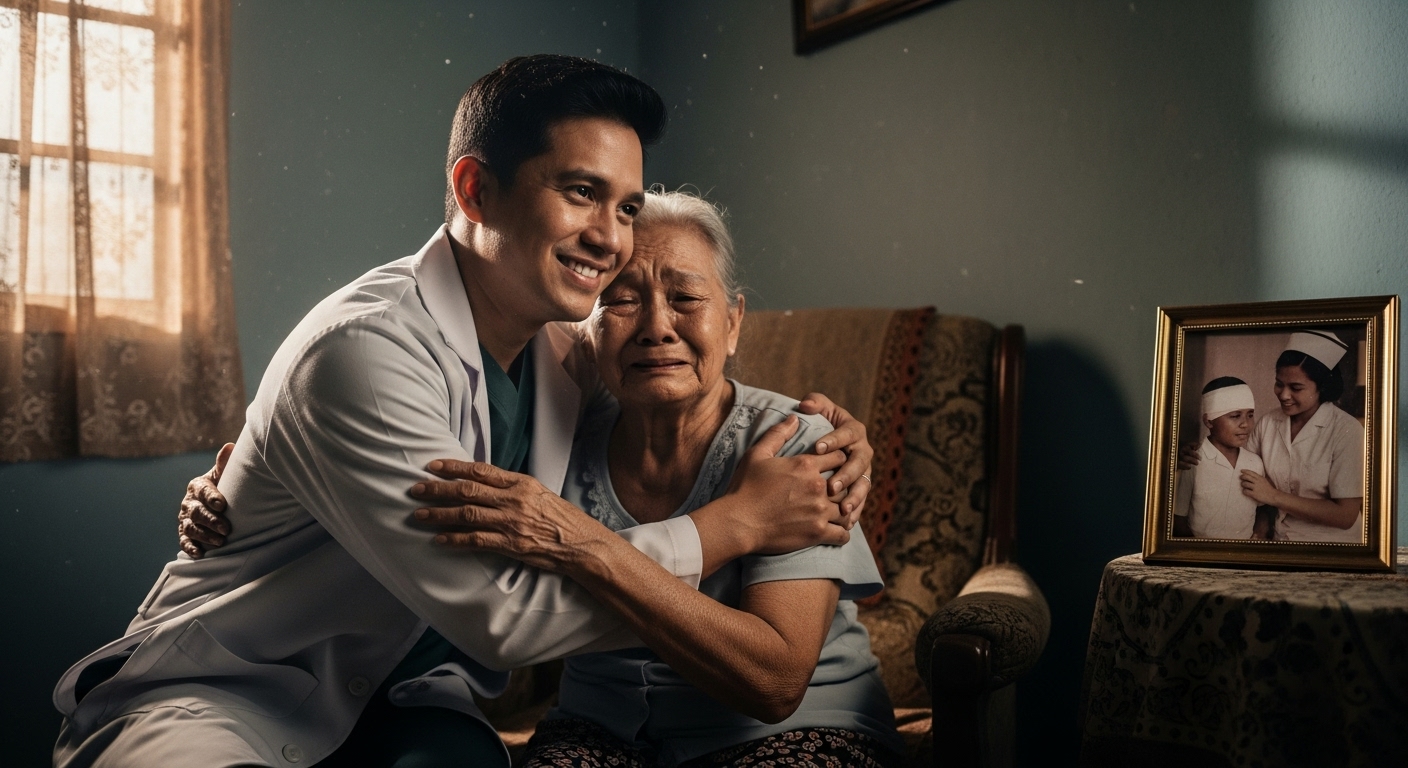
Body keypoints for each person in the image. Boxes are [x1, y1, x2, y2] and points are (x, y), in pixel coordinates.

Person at [54, 56, 874, 768]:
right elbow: (503, 620)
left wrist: (834, 437)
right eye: (581, 192)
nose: (611, 239)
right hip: (232, 694)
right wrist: (737, 523)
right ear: (475, 190)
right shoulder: (366, 351)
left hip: (414, 699)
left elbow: (680, 371)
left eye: (626, 207)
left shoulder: (569, 351)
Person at [189, 190, 905, 767]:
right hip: (601, 729)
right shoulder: (559, 425)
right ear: (587, 325)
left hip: (787, 732)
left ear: (734, 321)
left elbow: (774, 684)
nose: (656, 327)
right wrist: (247, 484)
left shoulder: (795, 447)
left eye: (687, 299)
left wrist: (584, 544)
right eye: (621, 300)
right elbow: (389, 457)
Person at [1182, 331, 1364, 543]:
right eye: (1279, 384)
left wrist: (1273, 496)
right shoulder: (1268, 423)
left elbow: (1345, 515)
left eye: (1296, 388)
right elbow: (1240, 472)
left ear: (1322, 387)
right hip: (1278, 538)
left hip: (1330, 545)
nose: (1284, 395)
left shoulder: (1346, 430)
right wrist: (1190, 455)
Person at [1172, 377, 1268, 540]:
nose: (1245, 424)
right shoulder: (1193, 460)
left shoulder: (1254, 462)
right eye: (1235, 416)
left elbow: (1262, 508)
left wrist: (1259, 533)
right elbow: (1178, 519)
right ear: (1209, 421)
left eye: (1250, 415)